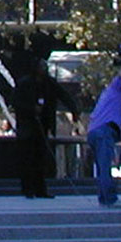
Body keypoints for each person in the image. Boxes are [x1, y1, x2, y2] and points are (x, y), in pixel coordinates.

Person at [13, 59, 77, 199]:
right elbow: (16, 102)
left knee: (41, 159)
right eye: (42, 66)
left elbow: (63, 95)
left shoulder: (49, 83)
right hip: (28, 127)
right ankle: (28, 189)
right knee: (28, 159)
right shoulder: (25, 83)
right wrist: (31, 109)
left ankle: (41, 189)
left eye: (45, 66)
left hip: (43, 125)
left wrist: (74, 109)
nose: (45, 69)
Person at [87, 48, 121, 207]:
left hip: (95, 131)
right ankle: (109, 198)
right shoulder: (114, 89)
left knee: (102, 166)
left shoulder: (111, 98)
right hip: (103, 131)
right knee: (105, 167)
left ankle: (104, 197)